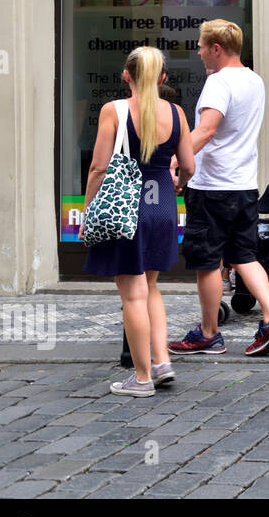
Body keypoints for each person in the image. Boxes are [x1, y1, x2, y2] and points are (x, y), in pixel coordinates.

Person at [169, 19, 269, 357]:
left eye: (201, 45)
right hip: (243, 185)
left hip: (213, 187)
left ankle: (209, 334)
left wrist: (177, 160)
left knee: (208, 261)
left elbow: (207, 130)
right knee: (244, 255)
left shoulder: (219, 82)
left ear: (217, 49)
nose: (197, 50)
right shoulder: (255, 80)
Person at [81, 47, 194, 397]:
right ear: (161, 79)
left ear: (126, 75)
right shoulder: (176, 112)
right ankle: (162, 362)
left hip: (125, 207)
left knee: (132, 294)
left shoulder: (113, 110)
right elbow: (188, 166)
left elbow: (98, 168)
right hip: (162, 205)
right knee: (151, 286)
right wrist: (179, 184)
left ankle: (142, 379)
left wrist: (89, 211)